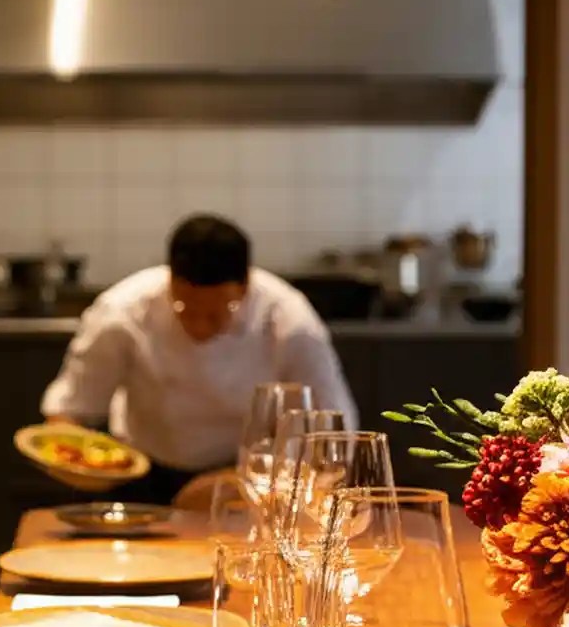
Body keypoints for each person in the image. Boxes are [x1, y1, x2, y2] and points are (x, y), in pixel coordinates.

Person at [41, 213, 357, 504]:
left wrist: (255, 483)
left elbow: (334, 433)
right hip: (143, 474)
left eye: (218, 315)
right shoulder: (121, 313)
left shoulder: (290, 321)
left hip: (252, 480)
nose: (199, 327)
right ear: (170, 282)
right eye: (186, 311)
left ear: (246, 286)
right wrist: (77, 460)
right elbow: (69, 411)